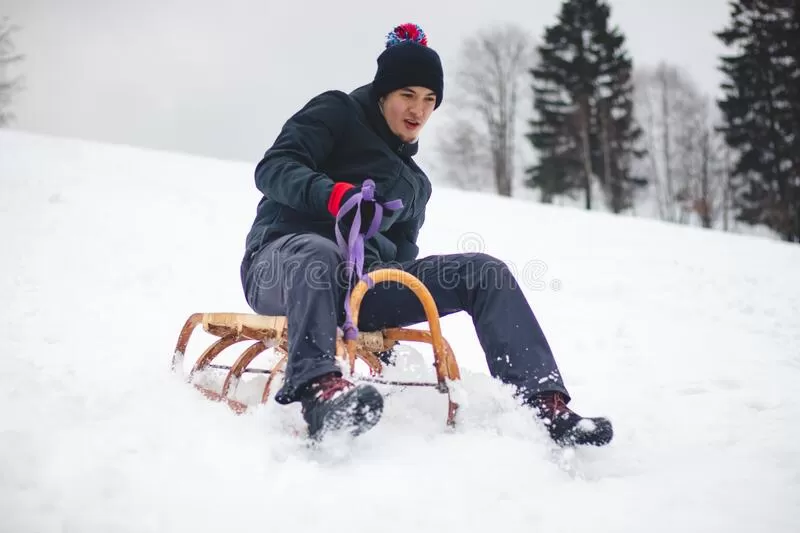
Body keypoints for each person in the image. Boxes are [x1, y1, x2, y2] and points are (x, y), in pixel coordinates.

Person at [240, 23, 613, 446]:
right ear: (383, 94)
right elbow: (273, 167)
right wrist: (334, 197)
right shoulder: (336, 112)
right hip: (284, 265)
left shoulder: (415, 185)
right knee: (320, 251)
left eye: (430, 100)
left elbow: (401, 261)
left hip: (360, 288)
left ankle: (542, 404)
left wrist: (388, 326)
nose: (419, 110)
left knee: (483, 272)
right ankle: (317, 389)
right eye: (407, 95)